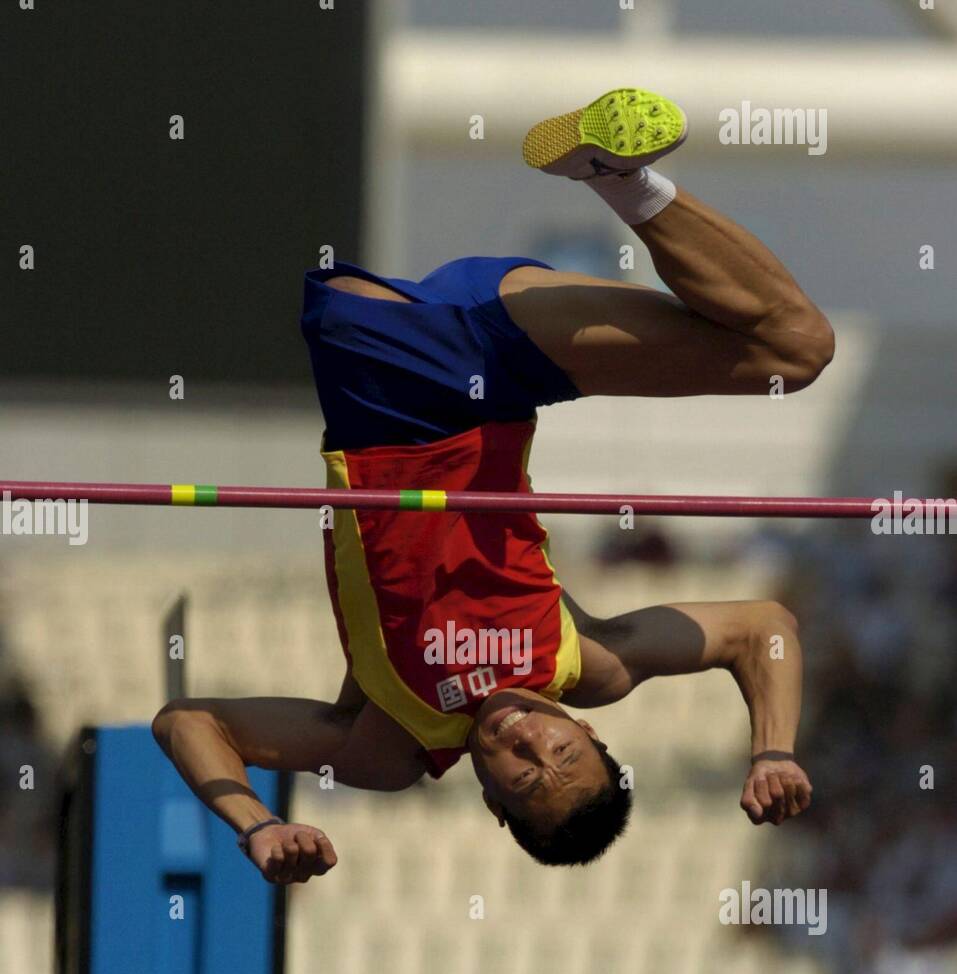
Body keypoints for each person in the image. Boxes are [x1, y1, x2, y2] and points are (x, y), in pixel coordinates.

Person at [153, 87, 828, 880]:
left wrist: (256, 823)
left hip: (390, 382)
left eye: (524, 776)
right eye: (564, 750)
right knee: (794, 349)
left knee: (783, 349)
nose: (531, 743)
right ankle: (614, 172)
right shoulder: (588, 664)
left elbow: (187, 720)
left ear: (489, 800)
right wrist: (771, 749)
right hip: (499, 373)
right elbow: (763, 627)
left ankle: (614, 176)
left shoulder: (392, 742)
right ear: (593, 735)